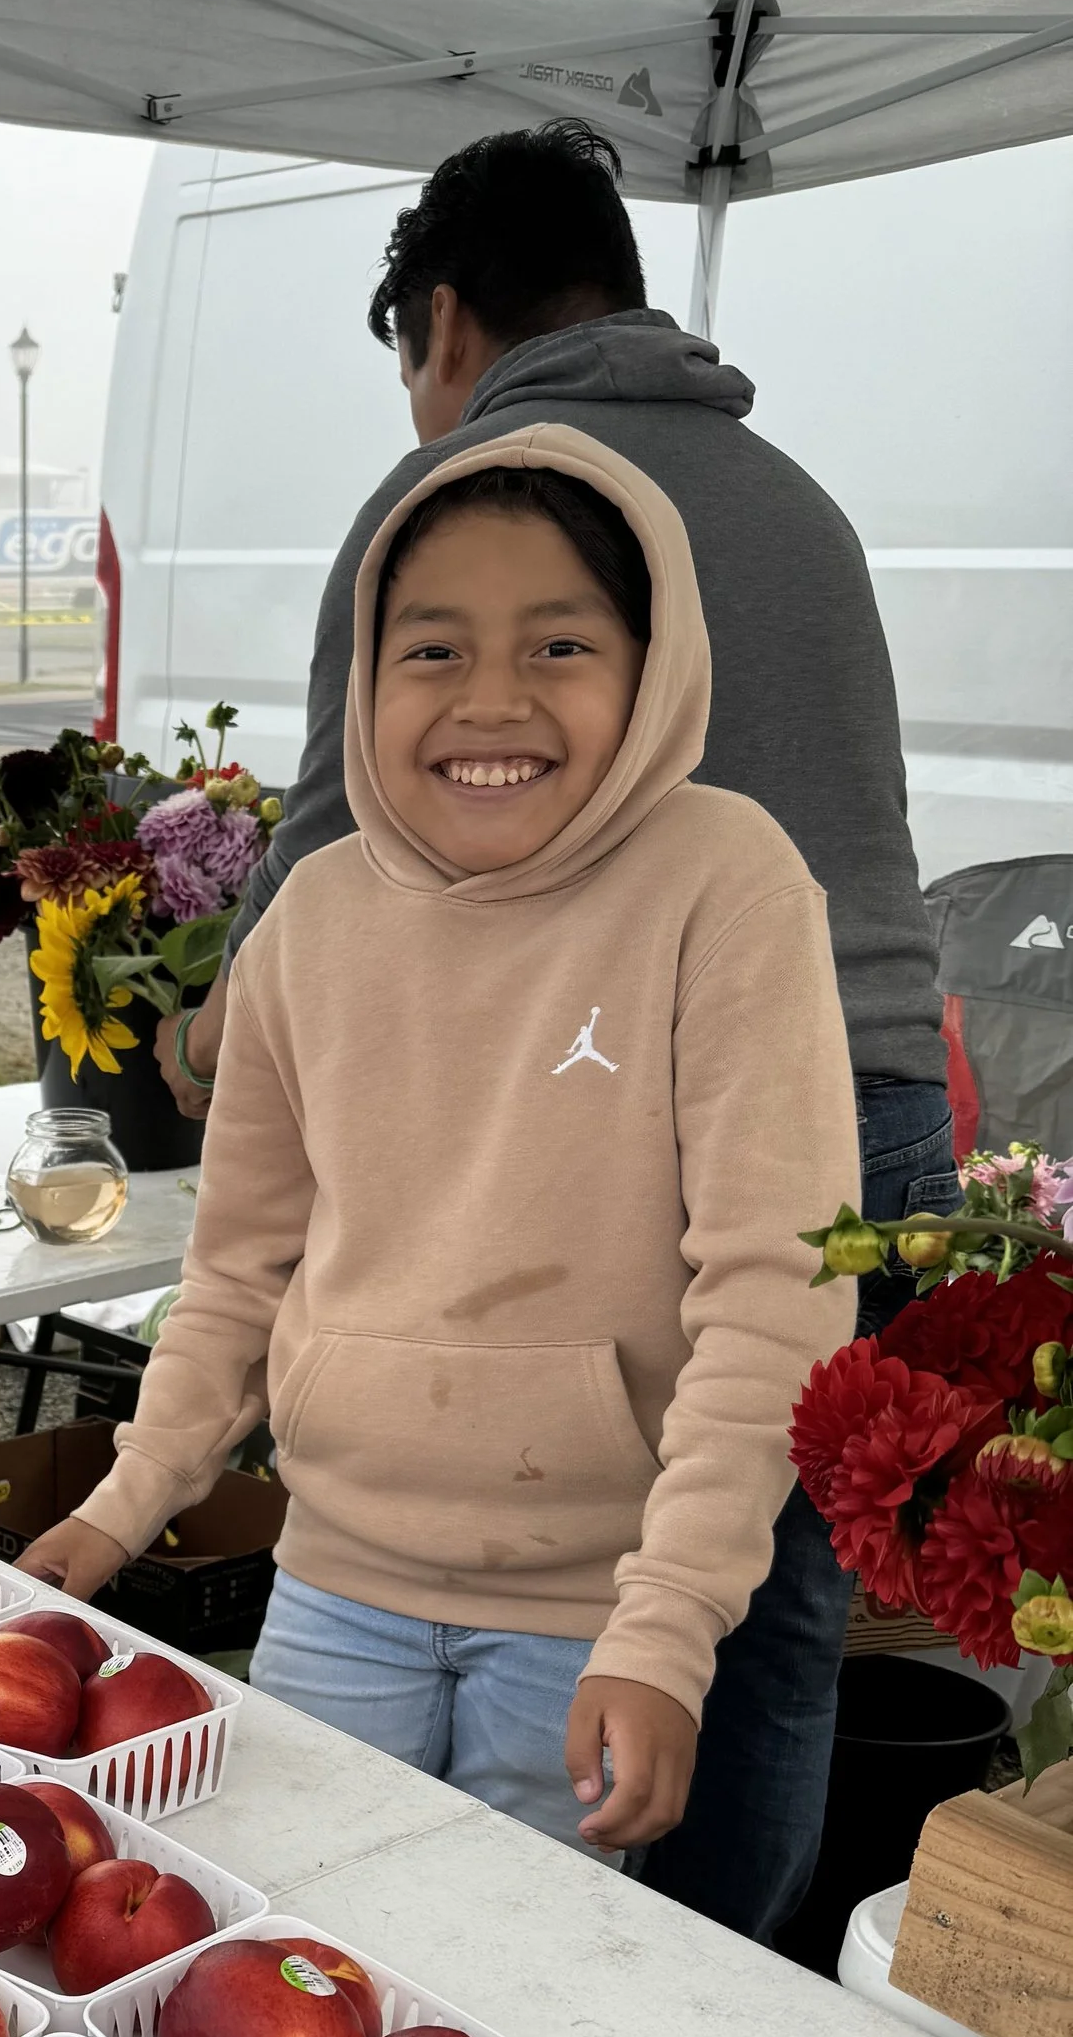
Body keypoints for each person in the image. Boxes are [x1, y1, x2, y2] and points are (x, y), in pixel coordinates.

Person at [158, 121, 952, 1936]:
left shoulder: (484, 492)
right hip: (889, 1102)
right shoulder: (799, 498)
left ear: (445, 321)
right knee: (761, 1623)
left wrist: (217, 1038)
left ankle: (498, 2028)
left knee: (610, 1606)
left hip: (662, 1121)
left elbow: (332, 842)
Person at [24, 428, 857, 1857]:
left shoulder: (725, 881)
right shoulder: (314, 916)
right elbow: (238, 1269)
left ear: (651, 667)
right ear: (366, 671)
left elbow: (781, 1291)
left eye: (558, 648)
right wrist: (121, 1507)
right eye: (433, 651)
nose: (492, 702)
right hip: (331, 1582)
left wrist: (665, 1633)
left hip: (586, 1614)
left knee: (504, 2017)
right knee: (296, 1951)